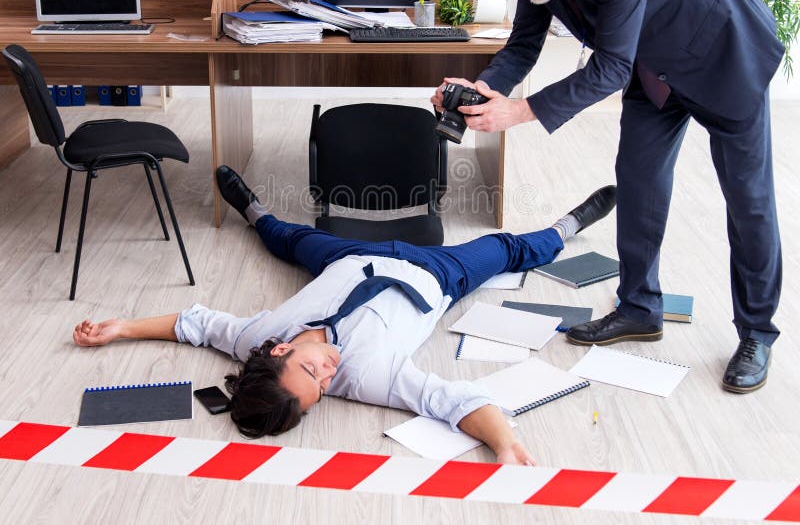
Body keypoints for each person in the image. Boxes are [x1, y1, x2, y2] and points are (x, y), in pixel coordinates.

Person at [432, 0, 784, 393]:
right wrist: (482, 90)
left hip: (724, 57)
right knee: (639, 181)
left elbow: (609, 69)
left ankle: (757, 333)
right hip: (653, 66)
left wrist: (519, 112)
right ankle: (640, 308)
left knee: (748, 204)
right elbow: (521, 47)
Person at [73, 165, 616, 465]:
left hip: (346, 258)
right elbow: (453, 401)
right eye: (323, 387)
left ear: (278, 350)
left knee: (285, 237)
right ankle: (570, 224)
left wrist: (122, 327)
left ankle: (251, 206)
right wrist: (505, 445)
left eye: (313, 371)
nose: (330, 373)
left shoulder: (254, 340)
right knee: (505, 247)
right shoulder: (368, 380)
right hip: (433, 274)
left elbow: (192, 323)